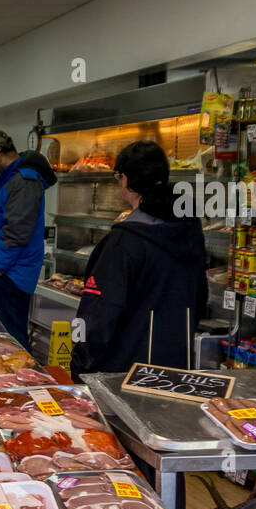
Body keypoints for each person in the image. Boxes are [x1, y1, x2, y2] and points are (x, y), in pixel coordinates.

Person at [70, 140, 208, 378]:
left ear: (125, 180)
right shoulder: (189, 232)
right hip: (174, 374)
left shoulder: (123, 242)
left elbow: (97, 316)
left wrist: (80, 367)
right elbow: (199, 299)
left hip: (121, 378)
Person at [0, 129, 57, 348]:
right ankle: (2, 380)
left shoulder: (25, 180)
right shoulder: (5, 177)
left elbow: (18, 232)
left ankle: (18, 382)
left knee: (11, 341)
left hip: (10, 275)